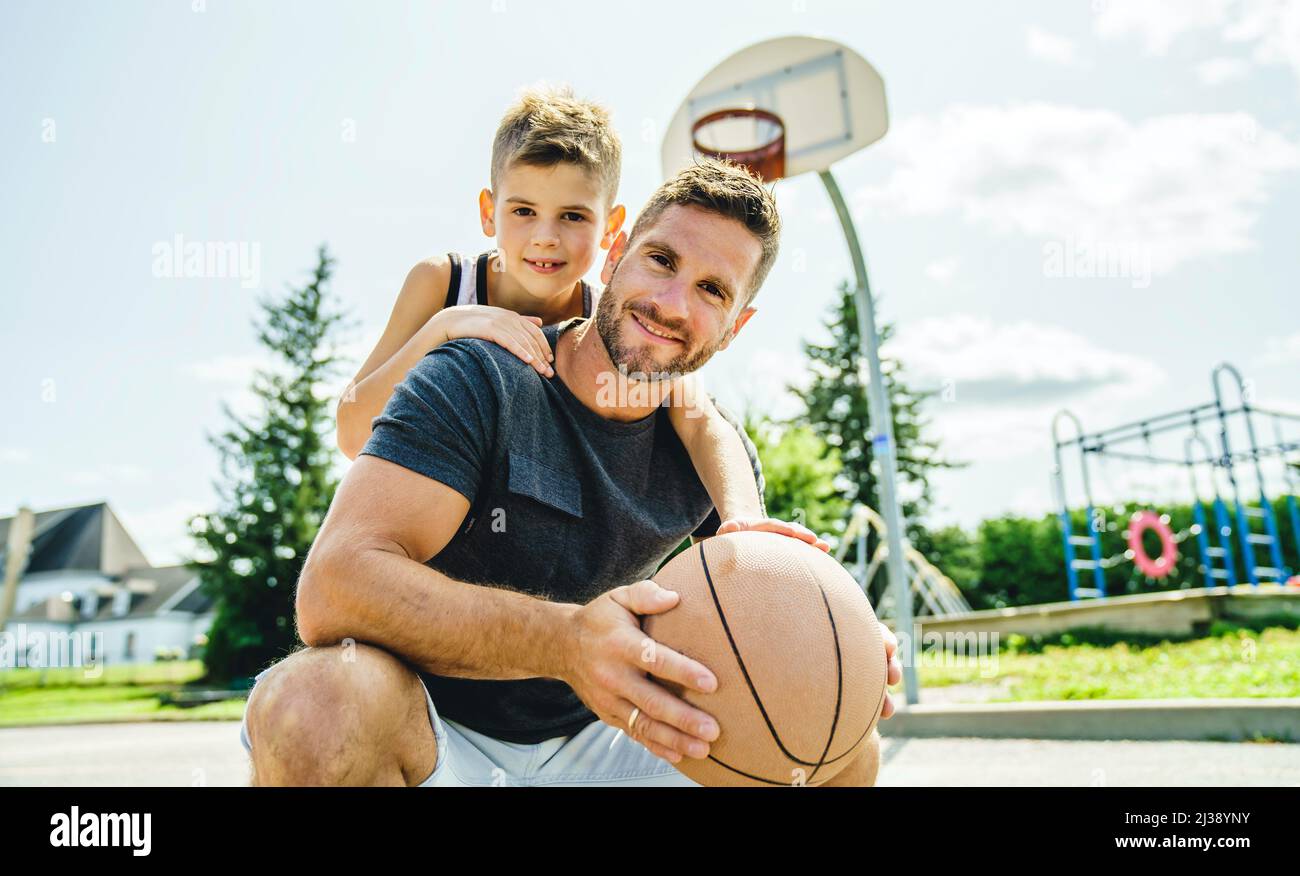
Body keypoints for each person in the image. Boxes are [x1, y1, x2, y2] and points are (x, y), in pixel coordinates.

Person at [240, 158, 901, 787]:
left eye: (712, 289)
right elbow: (333, 587)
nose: (672, 304)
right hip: (434, 732)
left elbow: (757, 615)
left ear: (734, 328)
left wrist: (835, 645)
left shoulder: (711, 447)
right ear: (615, 257)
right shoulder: (479, 378)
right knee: (315, 701)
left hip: (601, 738)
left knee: (837, 746)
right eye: (661, 260)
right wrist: (565, 643)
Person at [337, 83, 765, 524]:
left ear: (610, 227)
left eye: (573, 216)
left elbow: (699, 418)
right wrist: (446, 327)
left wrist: (745, 520)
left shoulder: (611, 321)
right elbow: (351, 433)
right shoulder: (444, 282)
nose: (545, 237)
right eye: (524, 211)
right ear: (489, 212)